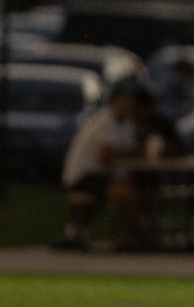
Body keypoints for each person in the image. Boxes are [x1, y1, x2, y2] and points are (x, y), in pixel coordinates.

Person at [57, 82, 149, 250]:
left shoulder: (126, 123)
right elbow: (106, 156)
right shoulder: (105, 121)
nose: (130, 105)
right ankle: (130, 236)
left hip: (101, 175)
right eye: (126, 100)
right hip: (84, 176)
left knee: (138, 189)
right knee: (128, 194)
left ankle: (130, 234)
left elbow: (123, 153)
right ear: (116, 101)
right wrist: (136, 153)